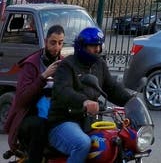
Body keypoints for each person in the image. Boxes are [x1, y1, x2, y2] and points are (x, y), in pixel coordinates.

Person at [48, 27, 134, 163]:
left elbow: (112, 88)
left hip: (90, 122)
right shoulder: (67, 65)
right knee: (82, 144)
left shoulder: (99, 64)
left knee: (115, 141)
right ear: (82, 46)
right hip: (63, 121)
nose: (97, 50)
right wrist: (84, 102)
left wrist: (131, 101)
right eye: (93, 46)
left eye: (99, 45)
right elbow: (63, 91)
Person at [4, 24, 65, 163]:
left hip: (54, 113)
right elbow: (22, 100)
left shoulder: (63, 63)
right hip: (29, 116)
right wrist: (43, 77)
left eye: (60, 43)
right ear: (45, 41)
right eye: (53, 43)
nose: (56, 47)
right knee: (39, 126)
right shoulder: (31, 64)